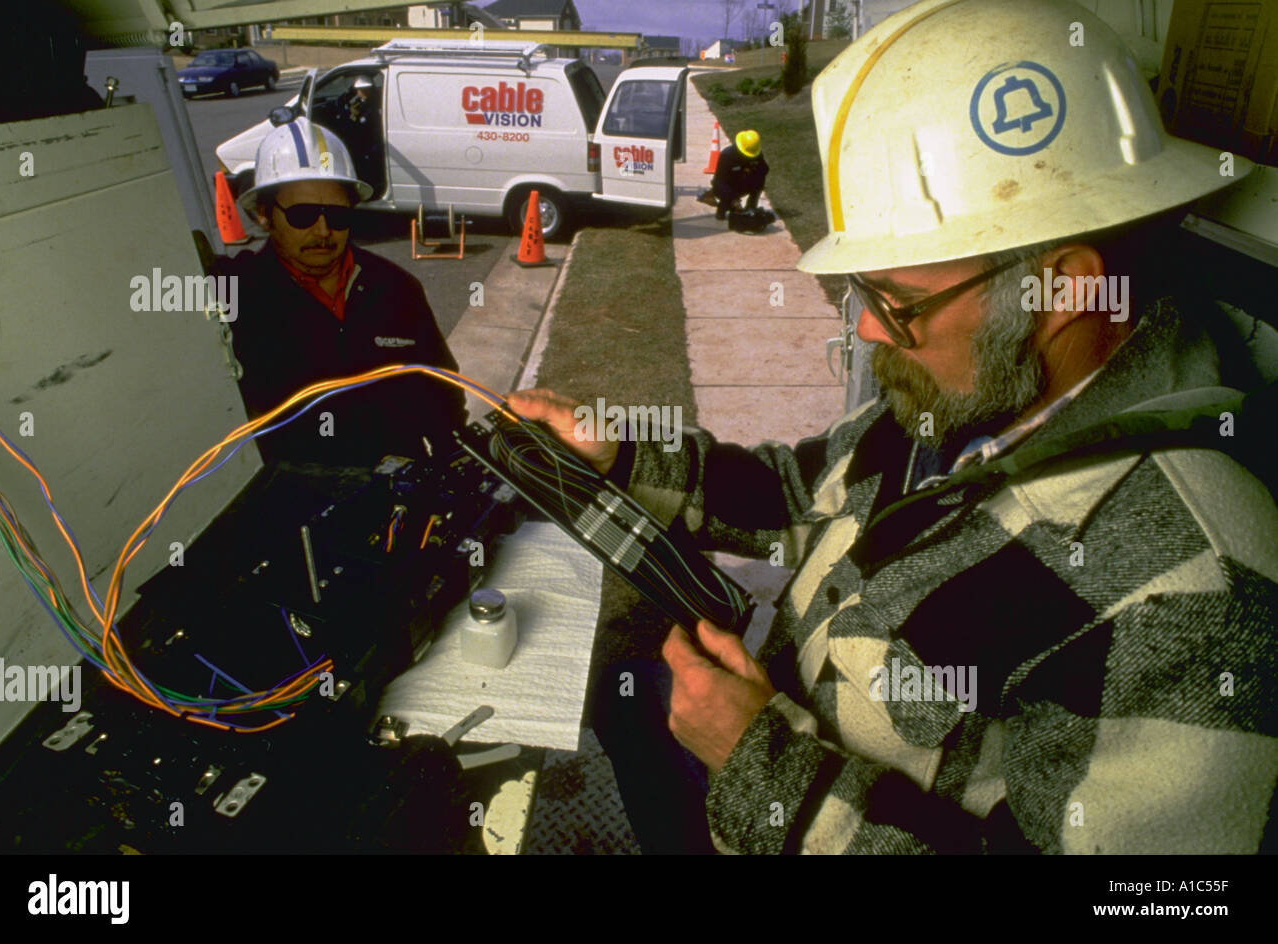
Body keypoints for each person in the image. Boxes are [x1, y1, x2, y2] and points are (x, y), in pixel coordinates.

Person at [509, 0, 1277, 854]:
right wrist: (618, 451)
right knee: (627, 693)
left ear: (1061, 290)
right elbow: (806, 489)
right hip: (767, 723)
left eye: (898, 303)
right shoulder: (977, 394)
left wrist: (758, 764)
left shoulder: (1190, 597)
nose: (869, 331)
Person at [218, 117, 465, 470]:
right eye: (303, 215)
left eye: (336, 215)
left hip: (400, 493)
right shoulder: (235, 295)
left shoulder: (397, 289)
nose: (323, 231)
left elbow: (443, 395)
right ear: (263, 215)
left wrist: (450, 466)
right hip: (296, 497)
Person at [710, 129, 768, 220]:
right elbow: (720, 181)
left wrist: (754, 167)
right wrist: (734, 200)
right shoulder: (727, 156)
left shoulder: (756, 152)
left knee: (760, 179)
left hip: (742, 182)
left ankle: (751, 206)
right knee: (728, 199)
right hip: (725, 186)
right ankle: (721, 210)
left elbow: (765, 169)